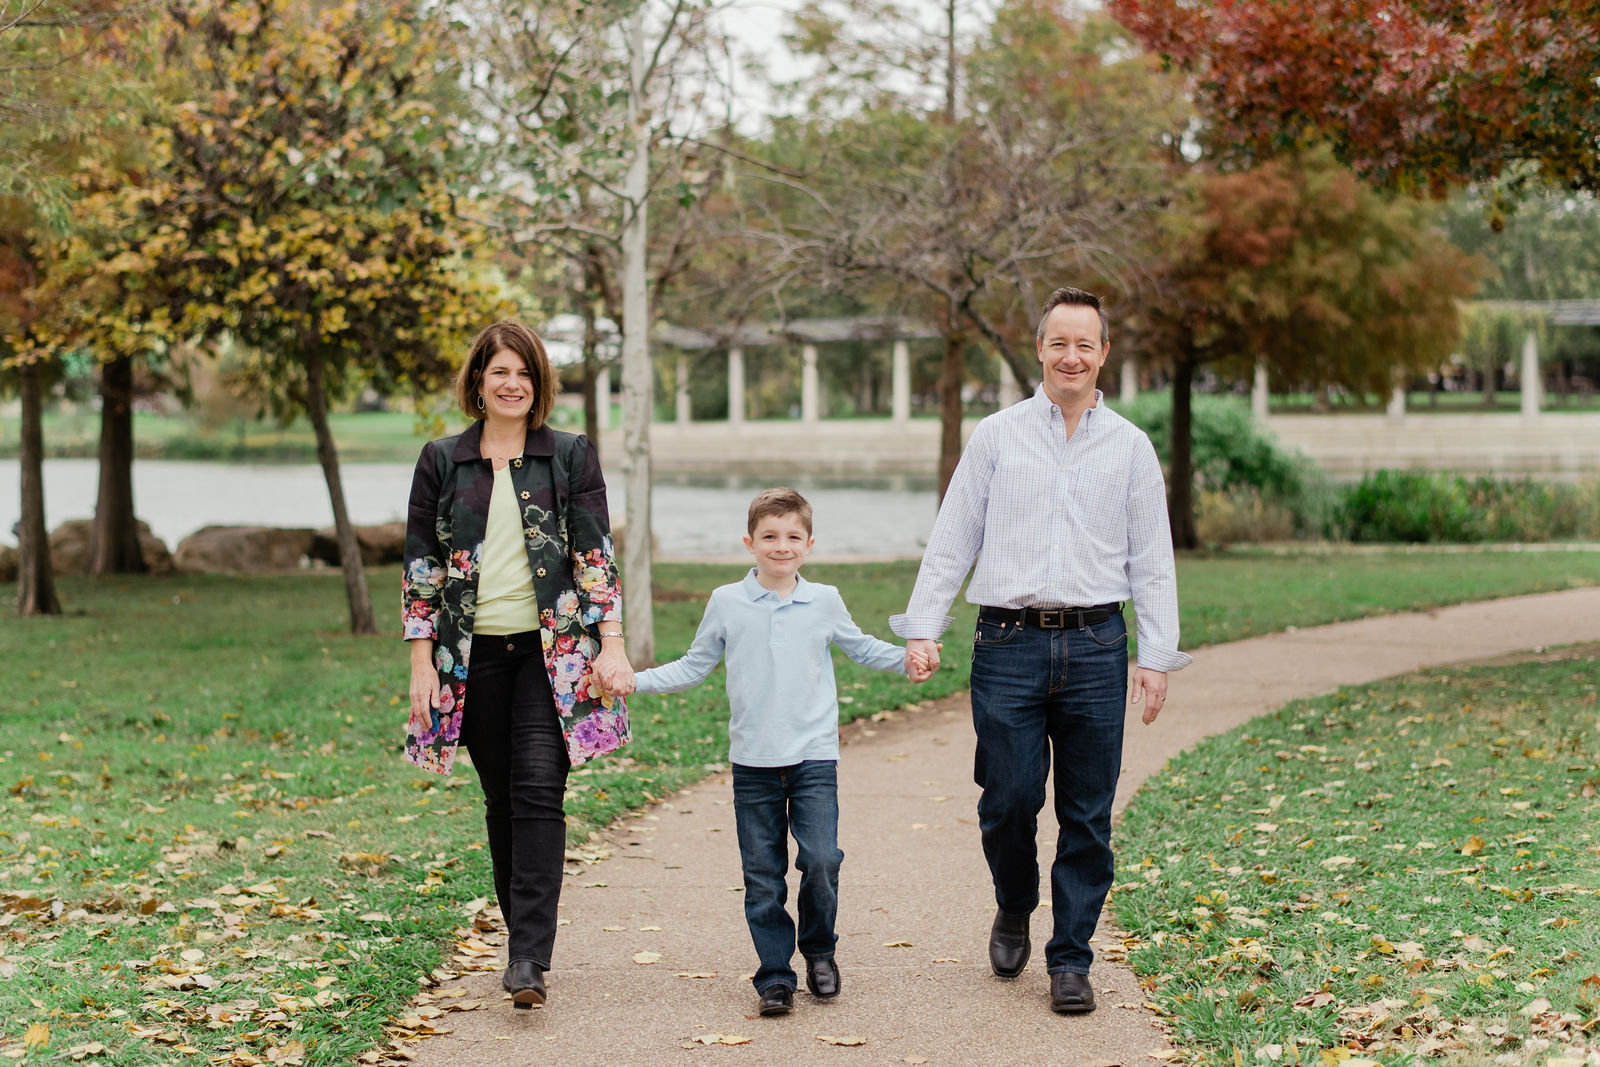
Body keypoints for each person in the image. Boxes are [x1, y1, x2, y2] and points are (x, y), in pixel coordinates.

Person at [890, 287, 1191, 1015]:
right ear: (1040, 349)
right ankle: (1014, 901)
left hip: (1096, 643)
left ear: (1104, 353)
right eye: (1060, 342)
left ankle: (1071, 958)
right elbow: (954, 535)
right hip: (1007, 641)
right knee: (1010, 798)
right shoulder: (996, 436)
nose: (1072, 356)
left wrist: (1157, 655)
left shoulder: (1130, 447)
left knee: (1088, 813)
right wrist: (923, 626)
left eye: (1085, 343)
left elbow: (1153, 560)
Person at [402, 321, 636, 1010]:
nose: (512, 383)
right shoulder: (443, 460)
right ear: (478, 380)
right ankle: (521, 938)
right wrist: (422, 662)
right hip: (470, 658)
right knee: (503, 797)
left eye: (525, 373)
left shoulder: (567, 456)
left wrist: (611, 642)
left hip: (551, 655)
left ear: (539, 384)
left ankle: (528, 955)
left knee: (538, 789)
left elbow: (595, 555)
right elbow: (422, 564)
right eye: (499, 371)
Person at [633, 488, 932, 1017]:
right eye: (769, 537)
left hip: (814, 758)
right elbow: (692, 665)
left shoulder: (825, 600)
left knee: (820, 860)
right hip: (753, 763)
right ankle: (774, 975)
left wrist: (905, 660)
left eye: (793, 537)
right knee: (763, 876)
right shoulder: (727, 601)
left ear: (809, 544)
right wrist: (632, 682)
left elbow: (860, 646)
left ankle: (820, 950)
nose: (781, 546)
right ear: (749, 542)